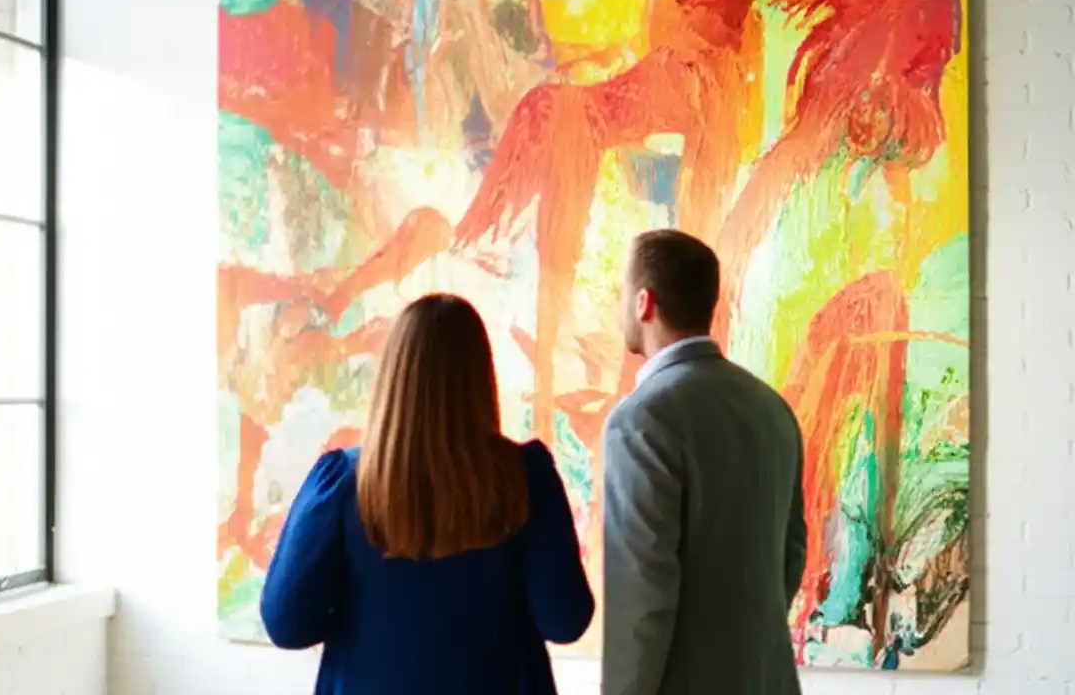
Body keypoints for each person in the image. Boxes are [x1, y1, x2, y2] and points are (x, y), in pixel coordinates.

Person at [261, 293, 594, 695]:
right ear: (479, 377)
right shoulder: (526, 478)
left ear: (392, 378)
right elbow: (565, 620)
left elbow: (287, 623)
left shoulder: (341, 484)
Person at [602, 230, 806, 695]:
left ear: (643, 303)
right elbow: (791, 555)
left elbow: (641, 598)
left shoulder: (640, 421)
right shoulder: (771, 409)